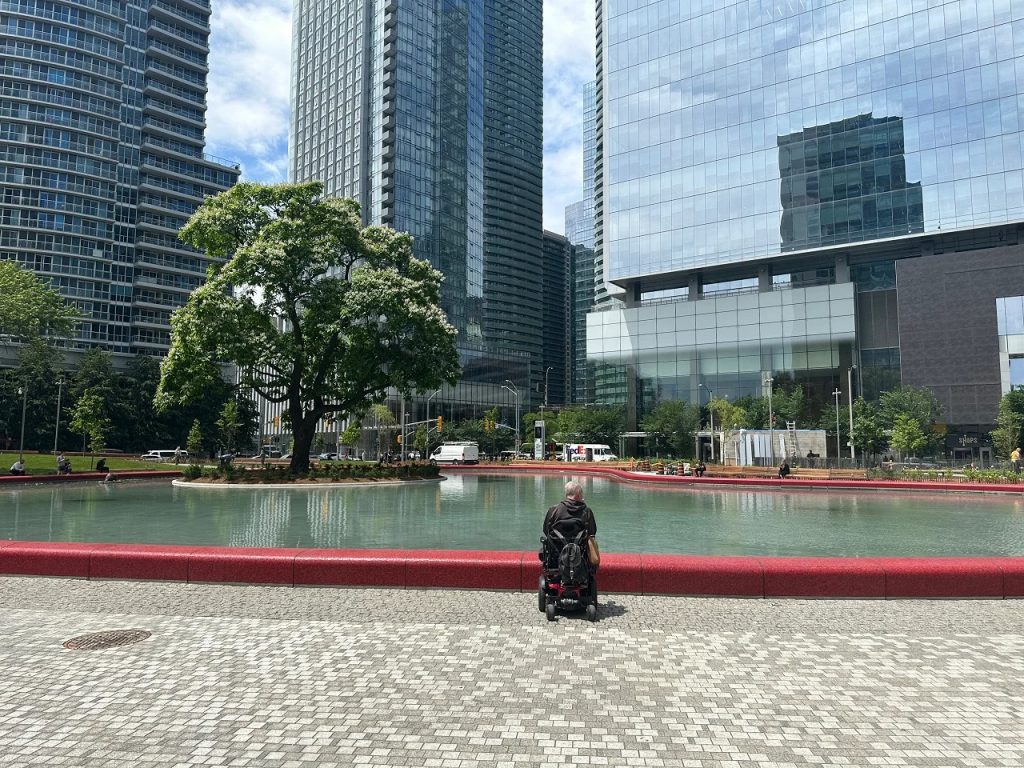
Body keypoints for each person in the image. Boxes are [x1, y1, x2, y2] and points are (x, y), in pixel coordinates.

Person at [543, 480, 598, 563]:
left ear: (566, 494)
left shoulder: (553, 510)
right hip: (579, 555)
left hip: (556, 554)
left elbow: (546, 530)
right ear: (578, 494)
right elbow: (592, 532)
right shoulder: (586, 511)